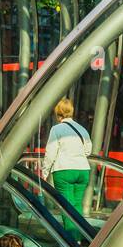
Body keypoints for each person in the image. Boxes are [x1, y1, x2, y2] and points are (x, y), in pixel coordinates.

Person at [41, 97, 92, 234]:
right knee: (77, 205)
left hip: (64, 171)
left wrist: (44, 172)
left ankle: (71, 240)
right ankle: (79, 238)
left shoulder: (56, 129)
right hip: (83, 170)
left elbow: (50, 152)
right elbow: (88, 150)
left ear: (58, 114)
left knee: (67, 207)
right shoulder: (82, 129)